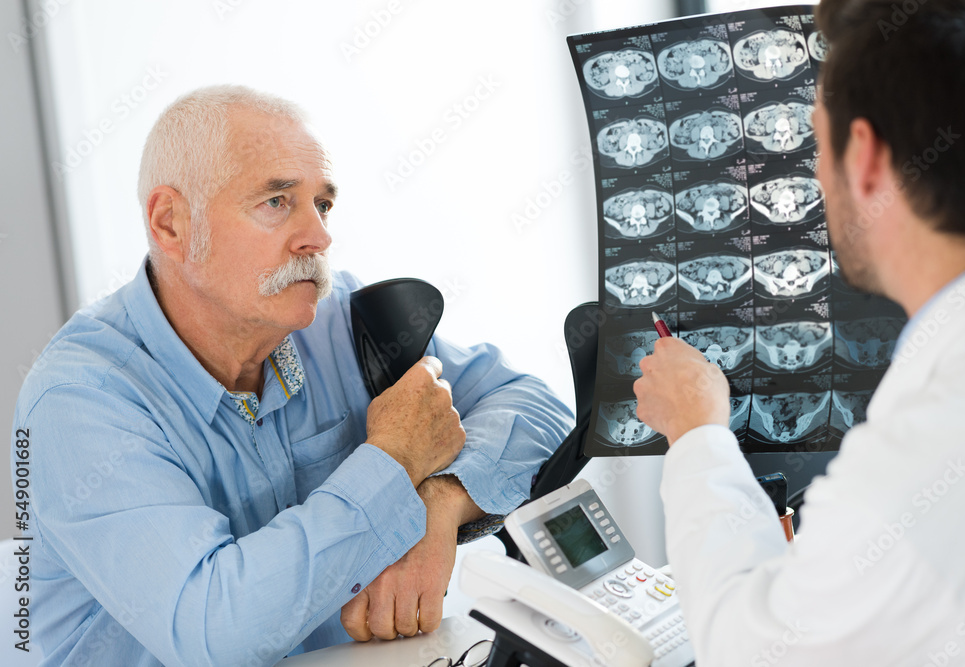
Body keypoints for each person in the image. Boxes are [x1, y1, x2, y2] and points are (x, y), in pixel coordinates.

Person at [11, 85, 573, 666]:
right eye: (277, 202)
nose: (320, 238)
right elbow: (218, 631)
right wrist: (396, 461)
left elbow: (535, 405)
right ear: (171, 224)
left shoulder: (338, 317)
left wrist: (441, 500)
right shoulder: (78, 401)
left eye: (322, 204)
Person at [634, 0, 965, 664]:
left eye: (814, 140)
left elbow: (753, 650)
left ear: (863, 157)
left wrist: (696, 436)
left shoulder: (923, 463)